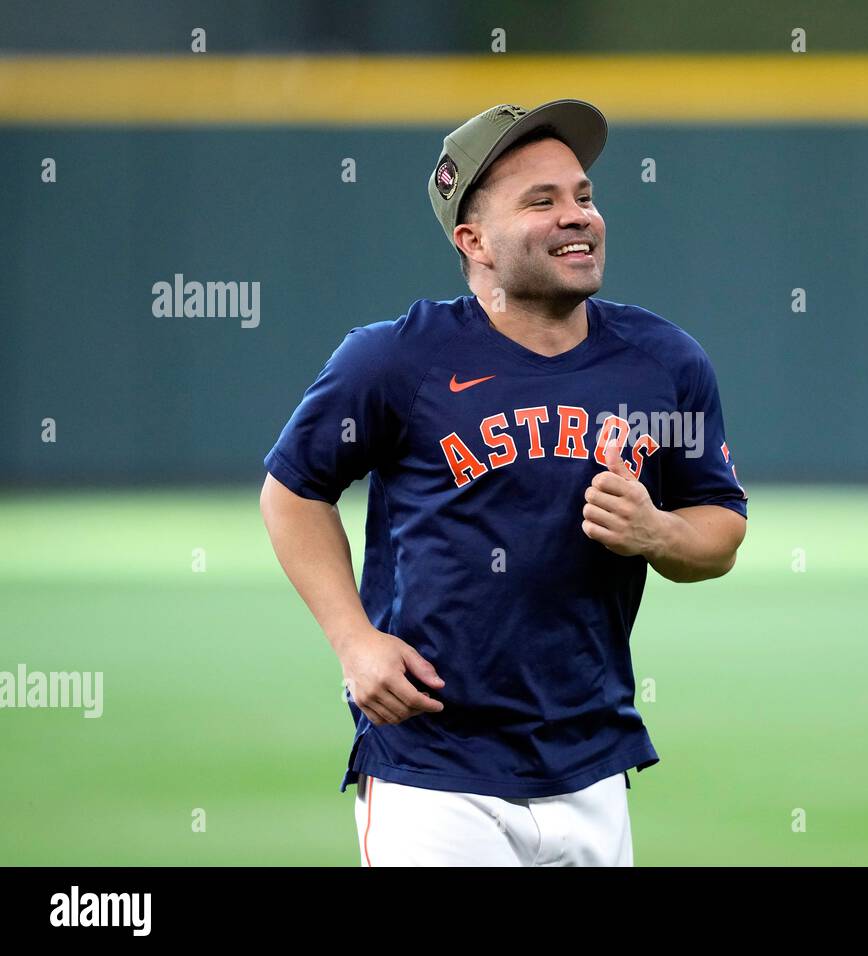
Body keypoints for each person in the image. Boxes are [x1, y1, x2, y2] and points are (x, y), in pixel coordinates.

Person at [259, 99, 747, 866]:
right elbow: (293, 491)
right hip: (433, 767)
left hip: (593, 759)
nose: (577, 216)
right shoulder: (394, 360)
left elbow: (718, 525)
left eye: (583, 195)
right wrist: (353, 641)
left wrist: (661, 533)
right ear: (473, 240)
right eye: (541, 201)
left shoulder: (664, 362)